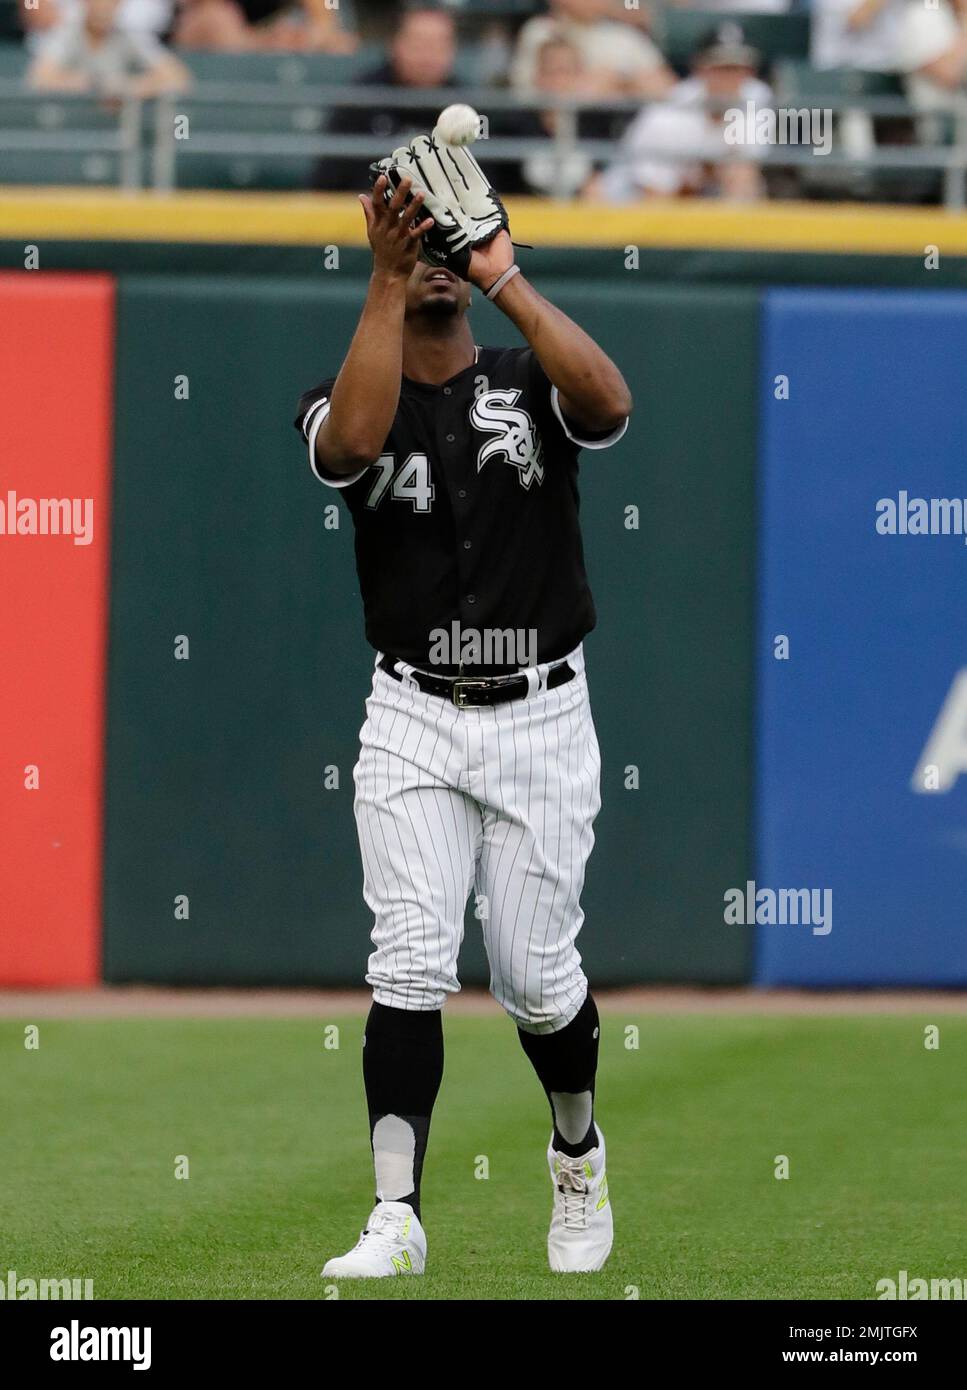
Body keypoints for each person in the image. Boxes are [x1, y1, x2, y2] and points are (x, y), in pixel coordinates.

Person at [293, 161, 631, 1278]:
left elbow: (611, 402)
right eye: (413, 239)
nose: (434, 257)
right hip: (412, 713)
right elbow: (348, 445)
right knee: (407, 957)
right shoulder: (346, 386)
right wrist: (387, 280)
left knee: (534, 978)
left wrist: (503, 272)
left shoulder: (526, 378)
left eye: (447, 240)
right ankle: (396, 1211)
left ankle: (576, 1151)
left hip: (540, 711)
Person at [590, 23, 773, 201]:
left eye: (739, 68)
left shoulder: (757, 97)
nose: (730, 78)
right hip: (626, 202)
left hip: (699, 196)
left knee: (744, 178)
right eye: (721, 68)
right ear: (700, 68)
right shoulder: (668, 114)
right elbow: (654, 194)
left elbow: (742, 172)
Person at [311, 6, 457, 191]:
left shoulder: (466, 106)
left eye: (439, 45)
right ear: (395, 44)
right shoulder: (360, 100)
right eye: (418, 43)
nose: (427, 56)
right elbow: (329, 180)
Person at [511, 0, 674, 100]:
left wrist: (615, 82)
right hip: (558, 135)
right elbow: (530, 93)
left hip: (619, 132)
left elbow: (666, 90)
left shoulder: (624, 35)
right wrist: (602, 86)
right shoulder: (540, 31)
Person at [28, 0, 190, 94]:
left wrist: (130, 87)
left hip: (118, 128)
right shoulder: (67, 32)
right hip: (72, 127)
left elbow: (177, 77)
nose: (103, 6)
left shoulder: (129, 35)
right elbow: (39, 78)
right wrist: (96, 85)